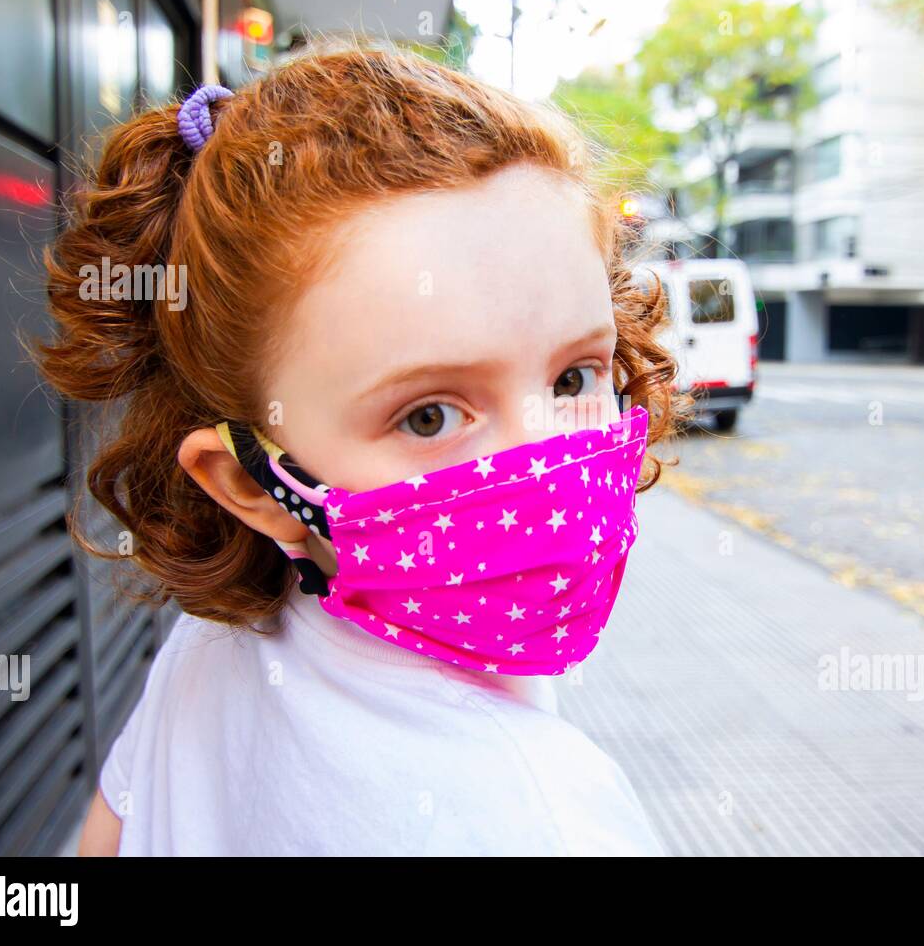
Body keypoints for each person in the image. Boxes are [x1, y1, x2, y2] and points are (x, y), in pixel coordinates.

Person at [39, 46, 683, 855]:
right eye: (428, 417)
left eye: (573, 377)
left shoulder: (205, 649)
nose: (547, 463)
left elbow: (107, 835)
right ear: (248, 483)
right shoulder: (547, 817)